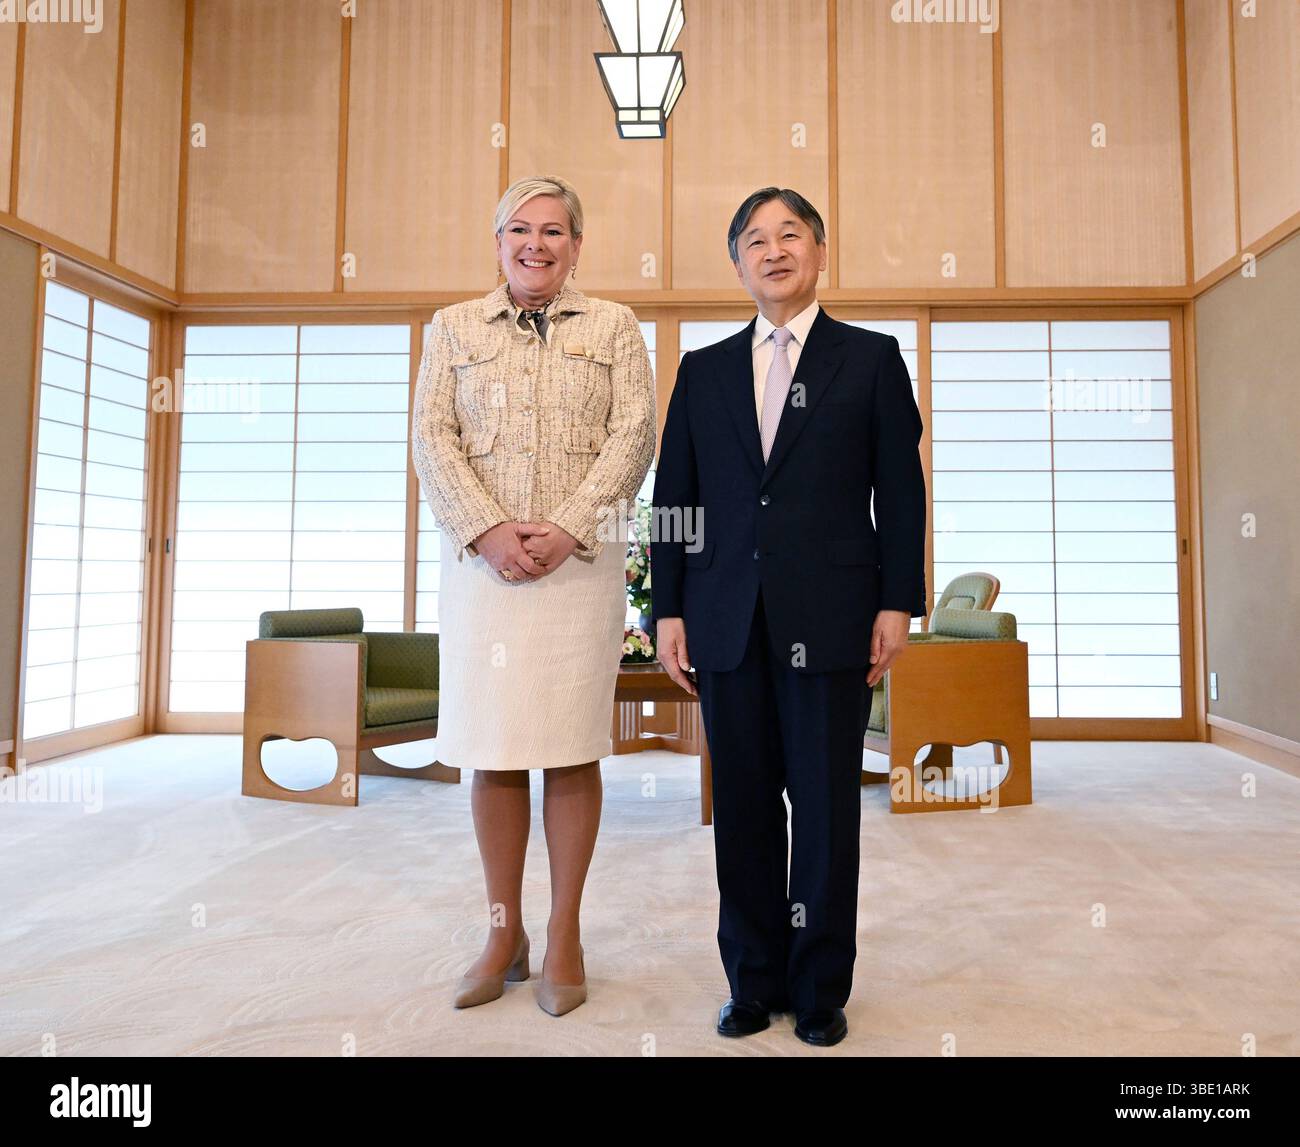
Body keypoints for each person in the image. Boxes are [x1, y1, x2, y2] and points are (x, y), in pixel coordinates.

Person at [651, 187, 926, 1047]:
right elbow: (676, 502)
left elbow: (901, 491)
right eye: (755, 241)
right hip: (727, 617)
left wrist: (898, 599)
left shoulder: (872, 358)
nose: (774, 252)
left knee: (825, 807)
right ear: (737, 262)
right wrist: (666, 609)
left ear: (819, 252)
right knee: (741, 807)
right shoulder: (703, 371)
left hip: (836, 615)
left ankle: (819, 987)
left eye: (790, 236)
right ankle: (753, 978)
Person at [411, 175, 656, 1016]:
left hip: (578, 567)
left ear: (577, 247)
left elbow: (636, 434)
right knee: (495, 745)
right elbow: (431, 437)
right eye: (520, 229)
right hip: (483, 571)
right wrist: (485, 529)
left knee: (570, 744)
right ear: (498, 240)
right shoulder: (451, 328)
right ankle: (501, 929)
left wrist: (566, 525)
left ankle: (564, 934)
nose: (536, 244)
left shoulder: (617, 327)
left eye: (555, 231)